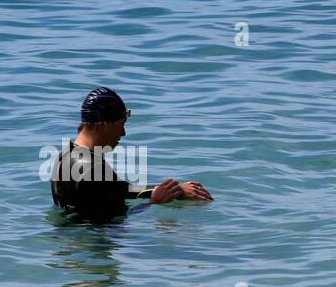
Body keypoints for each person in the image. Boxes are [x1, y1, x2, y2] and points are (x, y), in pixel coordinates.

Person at [50, 87, 213, 220]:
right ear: (102, 124)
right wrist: (155, 202)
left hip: (73, 245)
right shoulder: (93, 167)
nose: (123, 133)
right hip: (94, 250)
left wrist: (171, 190)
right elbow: (115, 220)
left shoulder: (65, 156)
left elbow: (120, 189)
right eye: (121, 125)